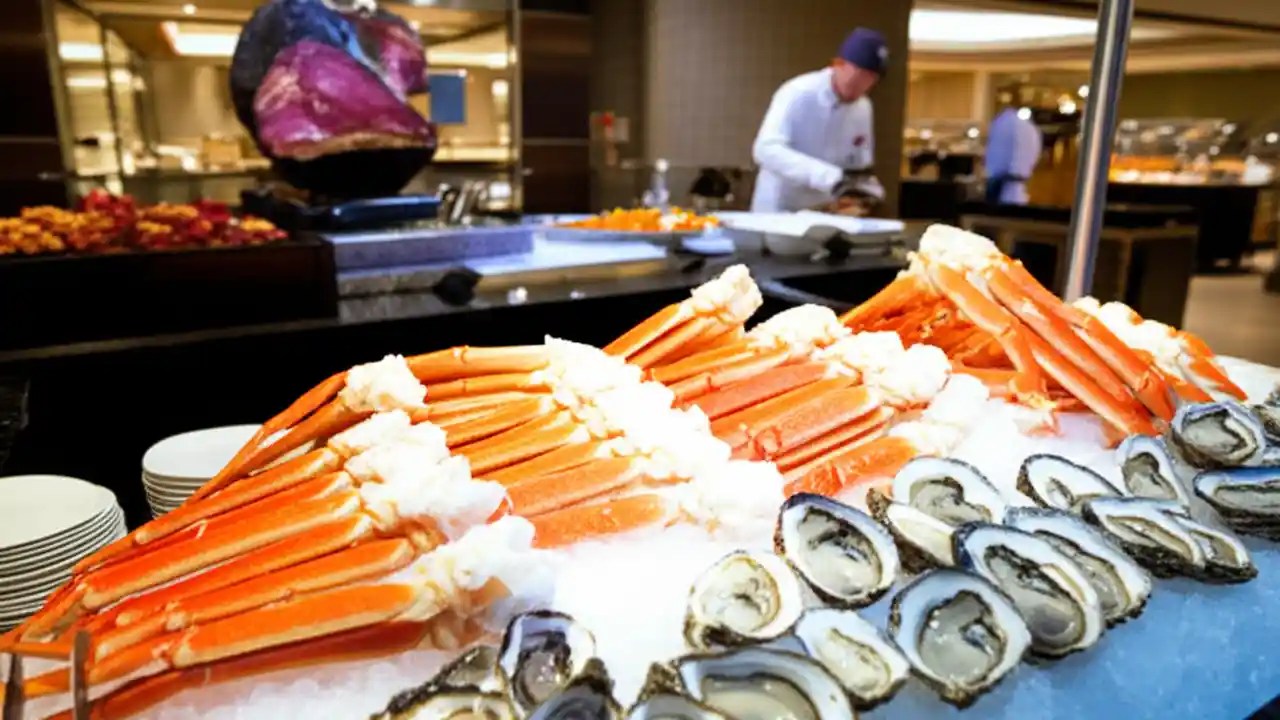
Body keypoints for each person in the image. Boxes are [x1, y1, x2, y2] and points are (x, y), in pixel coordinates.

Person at [750, 28, 888, 214]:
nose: (862, 86)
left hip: (826, 210)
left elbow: (859, 166)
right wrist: (829, 178)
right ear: (837, 64)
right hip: (780, 207)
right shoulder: (798, 93)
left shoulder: (863, 107)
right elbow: (765, 150)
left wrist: (867, 190)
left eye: (870, 79)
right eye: (858, 77)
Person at [984, 106, 1043, 205]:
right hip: (1016, 183)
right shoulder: (1029, 128)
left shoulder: (1001, 125)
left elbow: (995, 153)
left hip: (1001, 181)